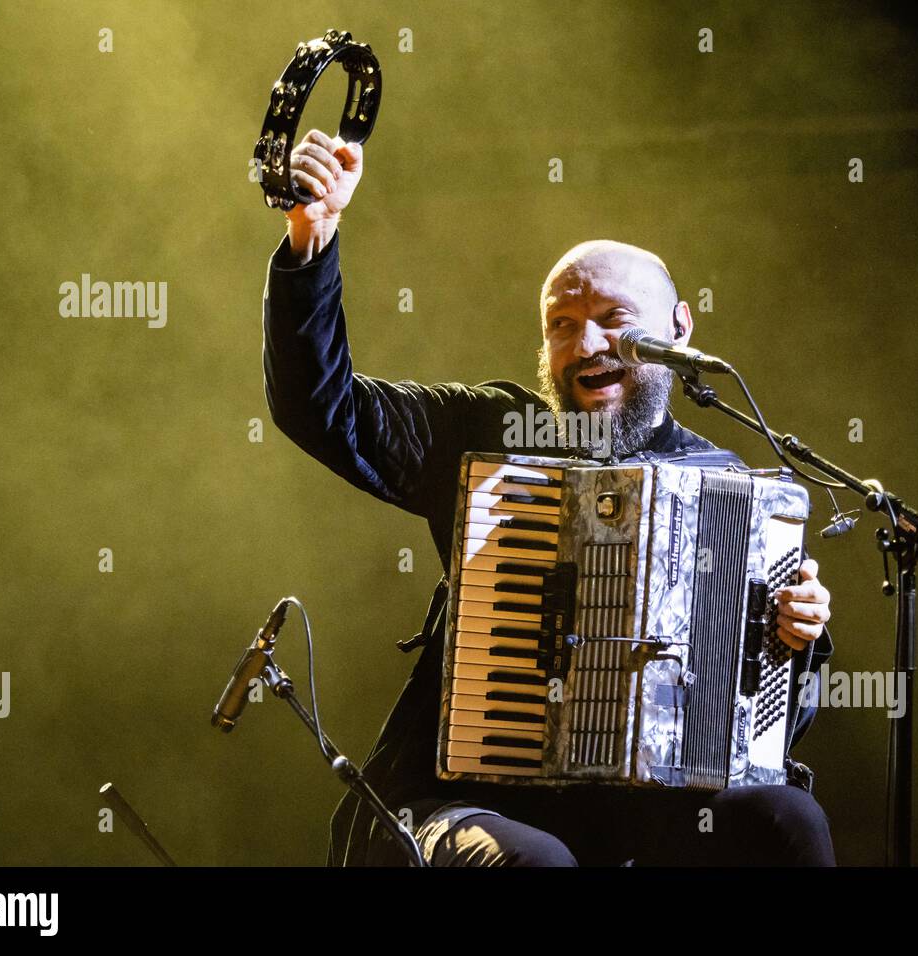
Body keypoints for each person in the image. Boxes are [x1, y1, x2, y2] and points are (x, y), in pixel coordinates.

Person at [261, 129, 837, 866]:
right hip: (462, 798)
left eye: (613, 319)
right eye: (562, 326)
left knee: (790, 818)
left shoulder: (725, 482)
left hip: (648, 809)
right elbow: (321, 408)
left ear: (680, 327)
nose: (586, 344)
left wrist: (799, 635)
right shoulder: (488, 431)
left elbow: (766, 723)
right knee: (540, 864)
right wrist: (313, 239)